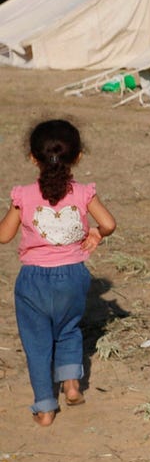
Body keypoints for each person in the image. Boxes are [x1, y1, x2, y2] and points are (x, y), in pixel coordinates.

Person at [0, 119, 116, 426]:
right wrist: (95, 235)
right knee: (69, 329)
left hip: (33, 281)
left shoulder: (22, 196)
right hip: (73, 276)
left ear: (32, 158)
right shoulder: (82, 193)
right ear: (77, 157)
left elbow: (4, 236)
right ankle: (72, 384)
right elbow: (109, 224)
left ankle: (46, 408)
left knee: (37, 344)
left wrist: (15, 210)